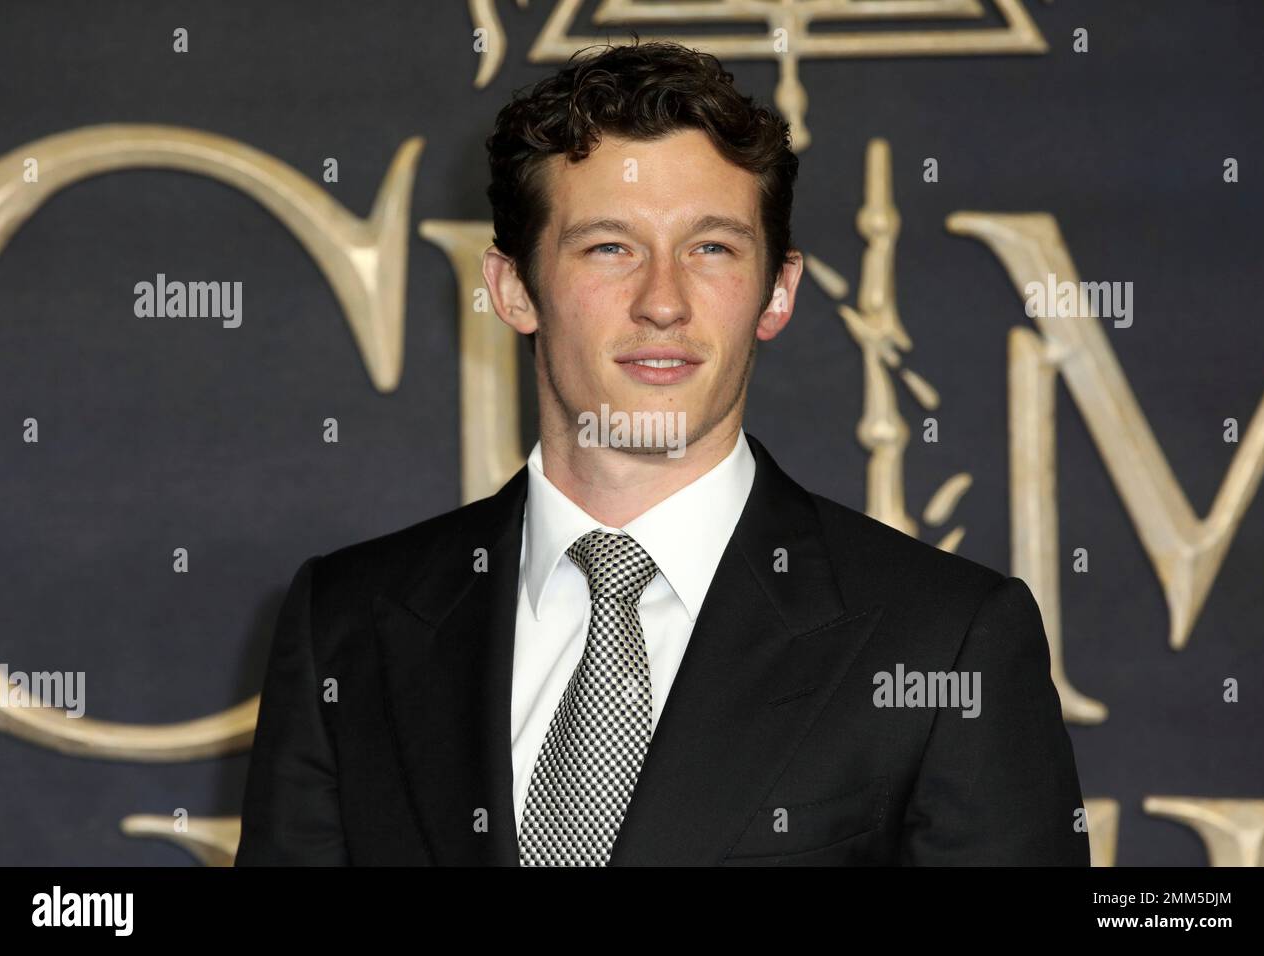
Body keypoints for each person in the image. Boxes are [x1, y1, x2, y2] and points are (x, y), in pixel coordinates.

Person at [235, 39, 1089, 866]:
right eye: (610, 247)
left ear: (777, 292)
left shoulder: (943, 640)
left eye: (711, 248)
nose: (663, 302)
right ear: (511, 288)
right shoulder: (345, 624)